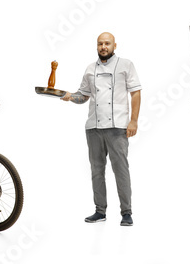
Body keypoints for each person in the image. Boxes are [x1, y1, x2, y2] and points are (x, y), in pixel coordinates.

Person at [60, 32, 141, 226]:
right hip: (94, 127)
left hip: (117, 127)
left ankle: (126, 212)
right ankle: (100, 211)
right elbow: (83, 96)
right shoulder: (90, 69)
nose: (103, 47)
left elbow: (136, 93)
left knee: (121, 170)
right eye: (100, 44)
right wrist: (70, 96)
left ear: (114, 45)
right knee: (97, 170)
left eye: (107, 43)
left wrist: (134, 121)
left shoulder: (126, 65)